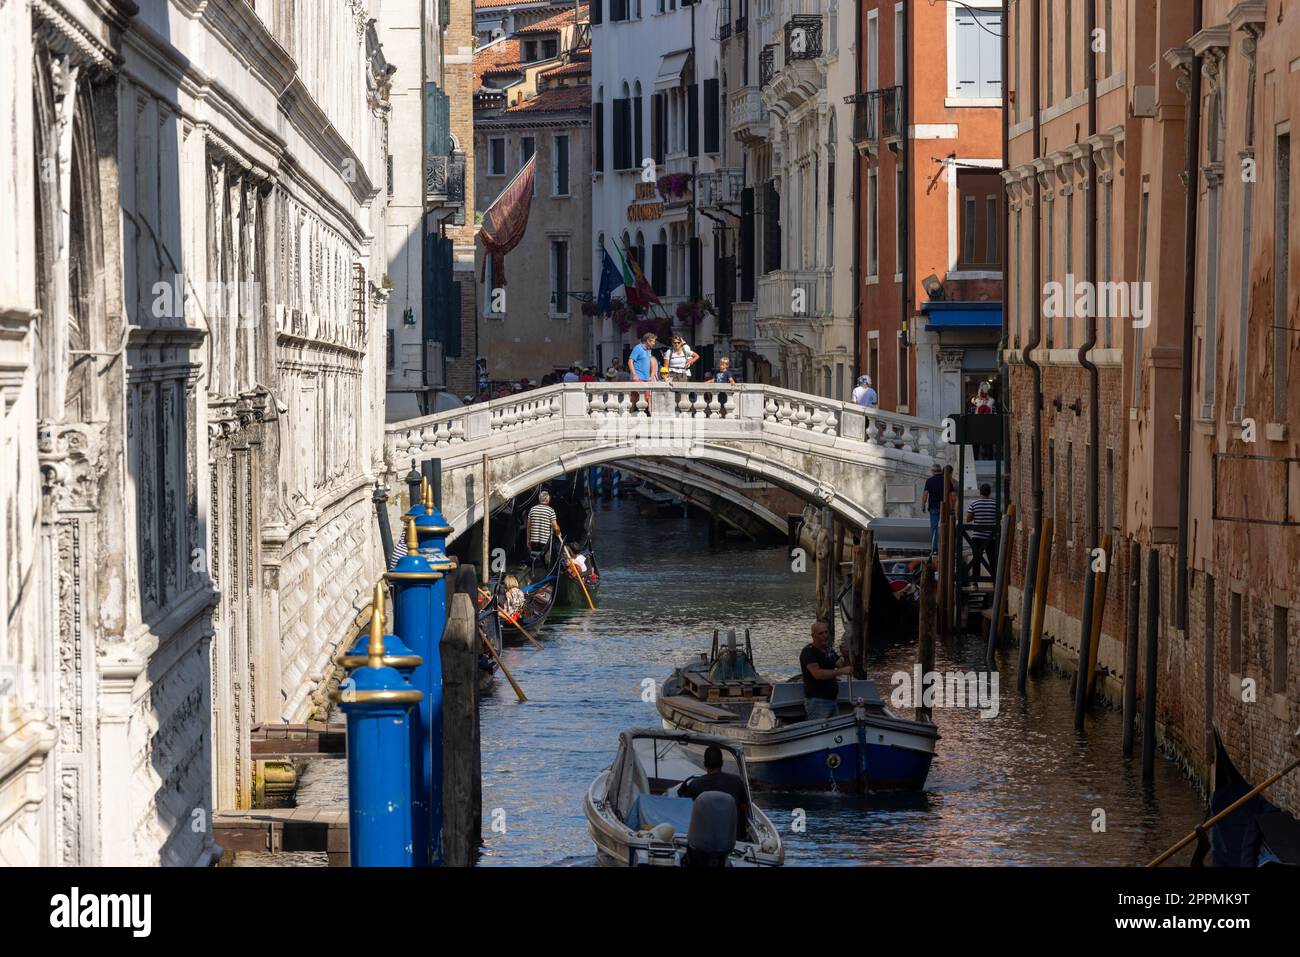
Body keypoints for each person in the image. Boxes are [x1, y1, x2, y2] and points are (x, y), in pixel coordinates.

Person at [676, 745, 750, 841]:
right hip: (733, 839)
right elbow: (744, 808)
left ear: (705, 764)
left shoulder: (695, 784)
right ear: (722, 763)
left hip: (704, 839)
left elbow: (686, 808)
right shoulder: (737, 781)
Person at [799, 619, 851, 722]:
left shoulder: (829, 650)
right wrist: (841, 671)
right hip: (817, 701)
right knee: (817, 731)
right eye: (821, 633)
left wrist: (846, 656)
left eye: (826, 632)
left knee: (835, 732)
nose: (825, 635)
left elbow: (842, 665)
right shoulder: (808, 652)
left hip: (832, 700)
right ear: (813, 636)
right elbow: (817, 674)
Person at [965, 482, 999, 580]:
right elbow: (998, 517)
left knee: (976, 559)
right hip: (990, 537)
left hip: (977, 536)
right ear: (989, 493)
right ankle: (995, 580)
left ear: (980, 492)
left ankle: (975, 582)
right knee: (992, 559)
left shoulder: (974, 503)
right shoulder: (994, 504)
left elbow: (968, 519)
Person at [920, 462, 947, 555]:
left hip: (934, 507)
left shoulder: (930, 481)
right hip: (945, 507)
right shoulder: (946, 480)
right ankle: (946, 548)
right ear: (940, 471)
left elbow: (925, 494)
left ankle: (935, 550)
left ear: (932, 471)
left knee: (934, 528)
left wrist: (923, 505)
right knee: (945, 527)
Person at [526, 490, 561, 560]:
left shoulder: (532, 510)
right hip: (545, 542)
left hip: (533, 541)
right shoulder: (551, 511)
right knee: (543, 560)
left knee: (534, 559)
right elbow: (556, 528)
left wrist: (528, 540)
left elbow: (529, 527)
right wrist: (559, 533)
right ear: (547, 499)